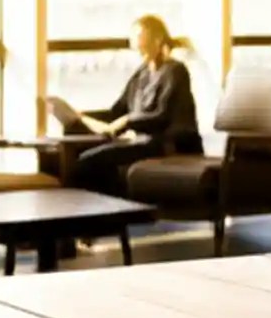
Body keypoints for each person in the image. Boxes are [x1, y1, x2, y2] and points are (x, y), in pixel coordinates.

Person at [67, 14, 202, 196]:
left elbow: (161, 117)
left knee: (89, 163)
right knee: (80, 157)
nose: (138, 47)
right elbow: (117, 111)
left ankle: (114, 213)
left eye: (141, 41)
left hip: (170, 144)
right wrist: (81, 116)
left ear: (158, 39)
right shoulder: (142, 73)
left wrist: (127, 122)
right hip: (146, 143)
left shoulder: (175, 71)